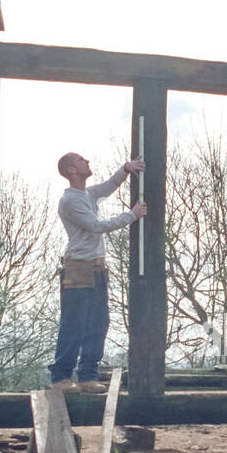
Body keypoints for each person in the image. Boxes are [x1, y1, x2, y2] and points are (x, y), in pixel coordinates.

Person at [47, 152, 147, 394]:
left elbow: (108, 186)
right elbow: (96, 225)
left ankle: (87, 377)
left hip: (97, 269)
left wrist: (125, 168)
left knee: (98, 323)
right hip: (78, 267)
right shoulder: (70, 201)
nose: (88, 162)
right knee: (74, 324)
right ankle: (60, 377)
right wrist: (131, 216)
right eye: (82, 160)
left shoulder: (87, 194)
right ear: (71, 170)